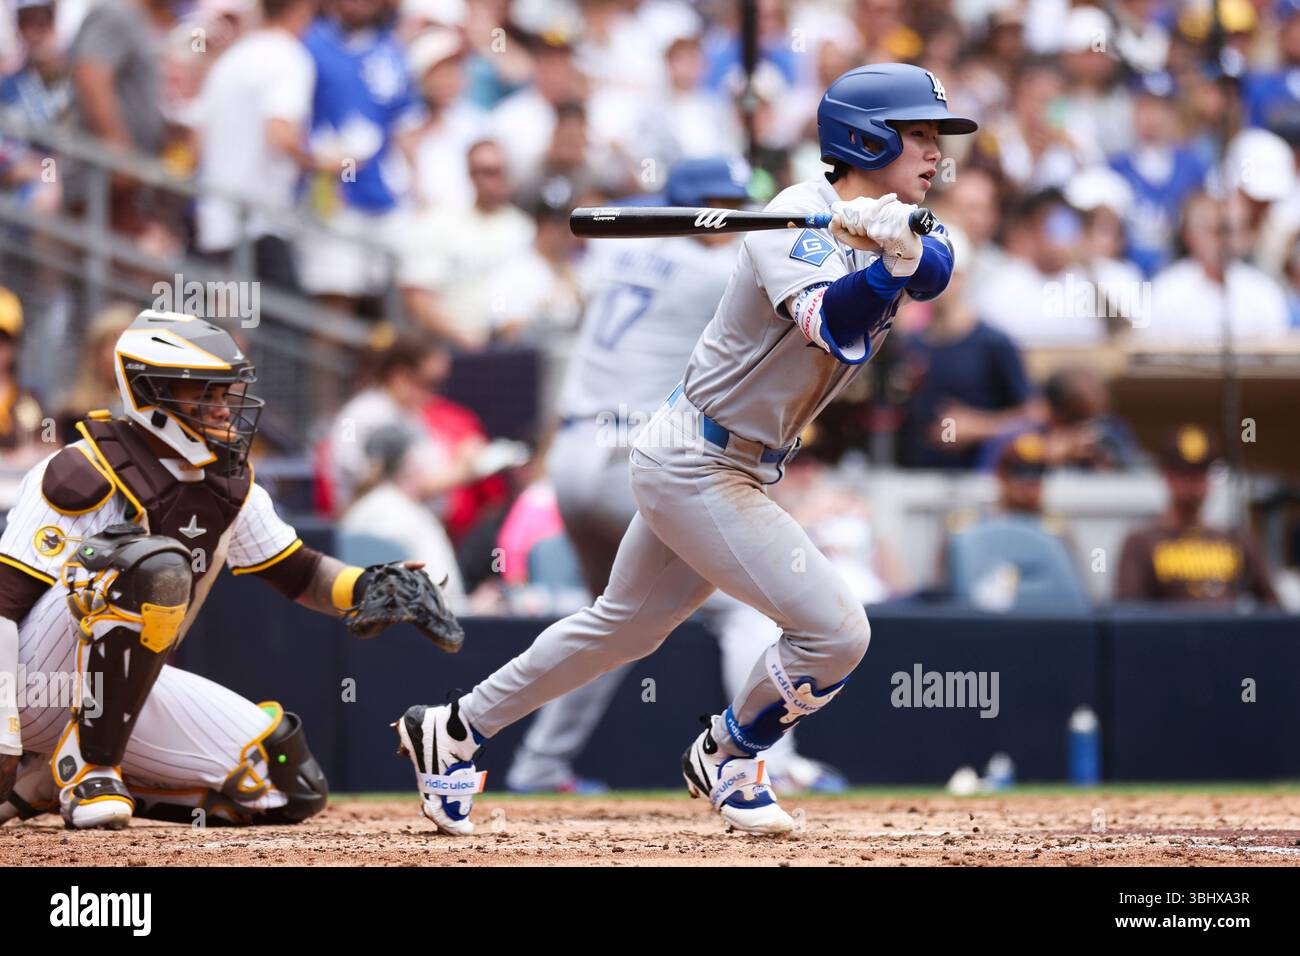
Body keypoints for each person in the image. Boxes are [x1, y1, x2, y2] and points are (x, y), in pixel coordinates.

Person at [394, 63, 975, 835]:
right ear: (865, 138)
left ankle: (453, 731)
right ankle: (730, 752)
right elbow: (835, 324)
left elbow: (937, 269)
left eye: (938, 137)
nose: (936, 153)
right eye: (919, 135)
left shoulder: (889, 221)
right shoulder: (798, 214)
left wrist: (899, 245)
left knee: (622, 626)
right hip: (698, 458)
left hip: (727, 463)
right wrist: (882, 260)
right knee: (837, 633)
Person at [0, 310, 456, 829]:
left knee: (286, 783)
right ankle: (89, 769)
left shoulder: (227, 482)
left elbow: (299, 573)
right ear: (153, 390)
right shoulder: (81, 469)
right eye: (207, 393)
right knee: (149, 561)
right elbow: (4, 603)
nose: (224, 409)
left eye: (227, 393)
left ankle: (45, 782)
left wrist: (375, 585)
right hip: (29, 685)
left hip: (118, 693)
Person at [504, 157, 848, 795]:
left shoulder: (617, 261)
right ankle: (779, 760)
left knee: (616, 620)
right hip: (635, 454)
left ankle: (538, 766)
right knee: (754, 608)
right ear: (710, 209)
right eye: (731, 205)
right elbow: (808, 306)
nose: (743, 216)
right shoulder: (717, 271)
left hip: (575, 457)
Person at [194, 0, 320, 289]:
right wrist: (324, 162)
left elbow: (196, 140)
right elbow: (281, 135)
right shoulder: (288, 56)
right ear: (302, 11)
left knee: (233, 319)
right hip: (259, 222)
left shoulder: (233, 57)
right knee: (272, 326)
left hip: (217, 218)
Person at [1117, 425, 1277, 604]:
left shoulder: (1238, 540)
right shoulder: (1140, 543)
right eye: (1184, 475)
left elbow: (1274, 612)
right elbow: (1128, 617)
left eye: (1200, 476)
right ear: (1167, 476)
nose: (1193, 486)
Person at [943, 432, 1088, 611]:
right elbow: (944, 601)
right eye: (1020, 471)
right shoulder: (968, 528)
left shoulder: (1058, 530)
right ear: (1000, 474)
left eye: (1039, 472)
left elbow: (1080, 601)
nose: (1031, 482)